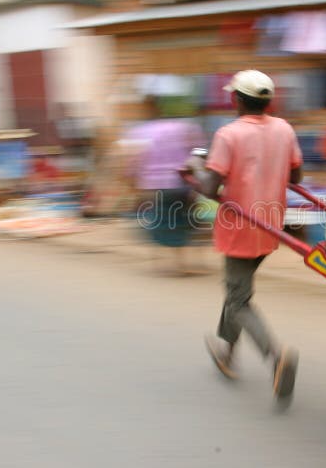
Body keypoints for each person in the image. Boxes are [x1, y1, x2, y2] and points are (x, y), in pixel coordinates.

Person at [186, 70, 303, 403]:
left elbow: (210, 189)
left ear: (236, 99)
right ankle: (227, 352)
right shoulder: (285, 129)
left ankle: (276, 356)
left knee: (238, 299)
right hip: (270, 225)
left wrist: (196, 168)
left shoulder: (228, 134)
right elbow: (296, 175)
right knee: (236, 290)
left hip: (240, 228)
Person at [128, 96, 206, 275]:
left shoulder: (140, 131)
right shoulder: (185, 127)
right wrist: (199, 176)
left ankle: (159, 262)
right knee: (186, 221)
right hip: (181, 183)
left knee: (159, 222)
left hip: (153, 186)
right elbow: (200, 151)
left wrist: (132, 182)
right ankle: (185, 263)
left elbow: (134, 160)